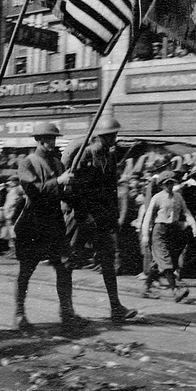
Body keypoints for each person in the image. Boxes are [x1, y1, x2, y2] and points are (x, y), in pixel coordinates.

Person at [62, 116, 137, 323]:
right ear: (99, 136)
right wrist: (80, 212)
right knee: (67, 261)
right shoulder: (84, 154)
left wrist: (112, 215)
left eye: (114, 135)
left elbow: (111, 187)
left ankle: (116, 307)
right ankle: (66, 311)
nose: (113, 139)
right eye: (109, 136)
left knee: (107, 260)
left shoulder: (109, 156)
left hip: (101, 215)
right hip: (80, 214)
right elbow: (70, 186)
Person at [15, 122, 87, 332]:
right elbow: (33, 190)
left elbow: (63, 193)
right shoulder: (27, 162)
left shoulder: (57, 162)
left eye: (54, 139)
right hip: (33, 222)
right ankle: (19, 313)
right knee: (27, 269)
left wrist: (71, 187)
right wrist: (59, 181)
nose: (52, 143)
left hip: (54, 222)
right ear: (39, 140)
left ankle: (67, 313)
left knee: (64, 267)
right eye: (48, 139)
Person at [141, 170, 196, 302]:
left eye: (171, 183)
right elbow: (148, 217)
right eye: (166, 183)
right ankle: (175, 291)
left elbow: (187, 212)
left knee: (160, 262)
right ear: (161, 185)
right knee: (165, 261)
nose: (169, 186)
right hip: (159, 231)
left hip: (173, 230)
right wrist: (145, 235)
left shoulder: (178, 197)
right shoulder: (157, 197)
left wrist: (194, 227)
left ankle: (146, 288)